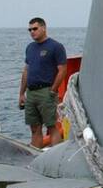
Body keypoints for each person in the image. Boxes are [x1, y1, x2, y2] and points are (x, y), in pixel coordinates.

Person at [18, 17, 67, 148]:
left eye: (35, 28)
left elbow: (62, 70)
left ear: (43, 28)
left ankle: (57, 157)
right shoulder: (30, 48)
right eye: (30, 30)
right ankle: (36, 157)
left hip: (46, 91)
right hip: (31, 92)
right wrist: (21, 93)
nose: (32, 32)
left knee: (52, 127)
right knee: (34, 128)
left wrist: (52, 90)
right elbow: (26, 71)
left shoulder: (56, 47)